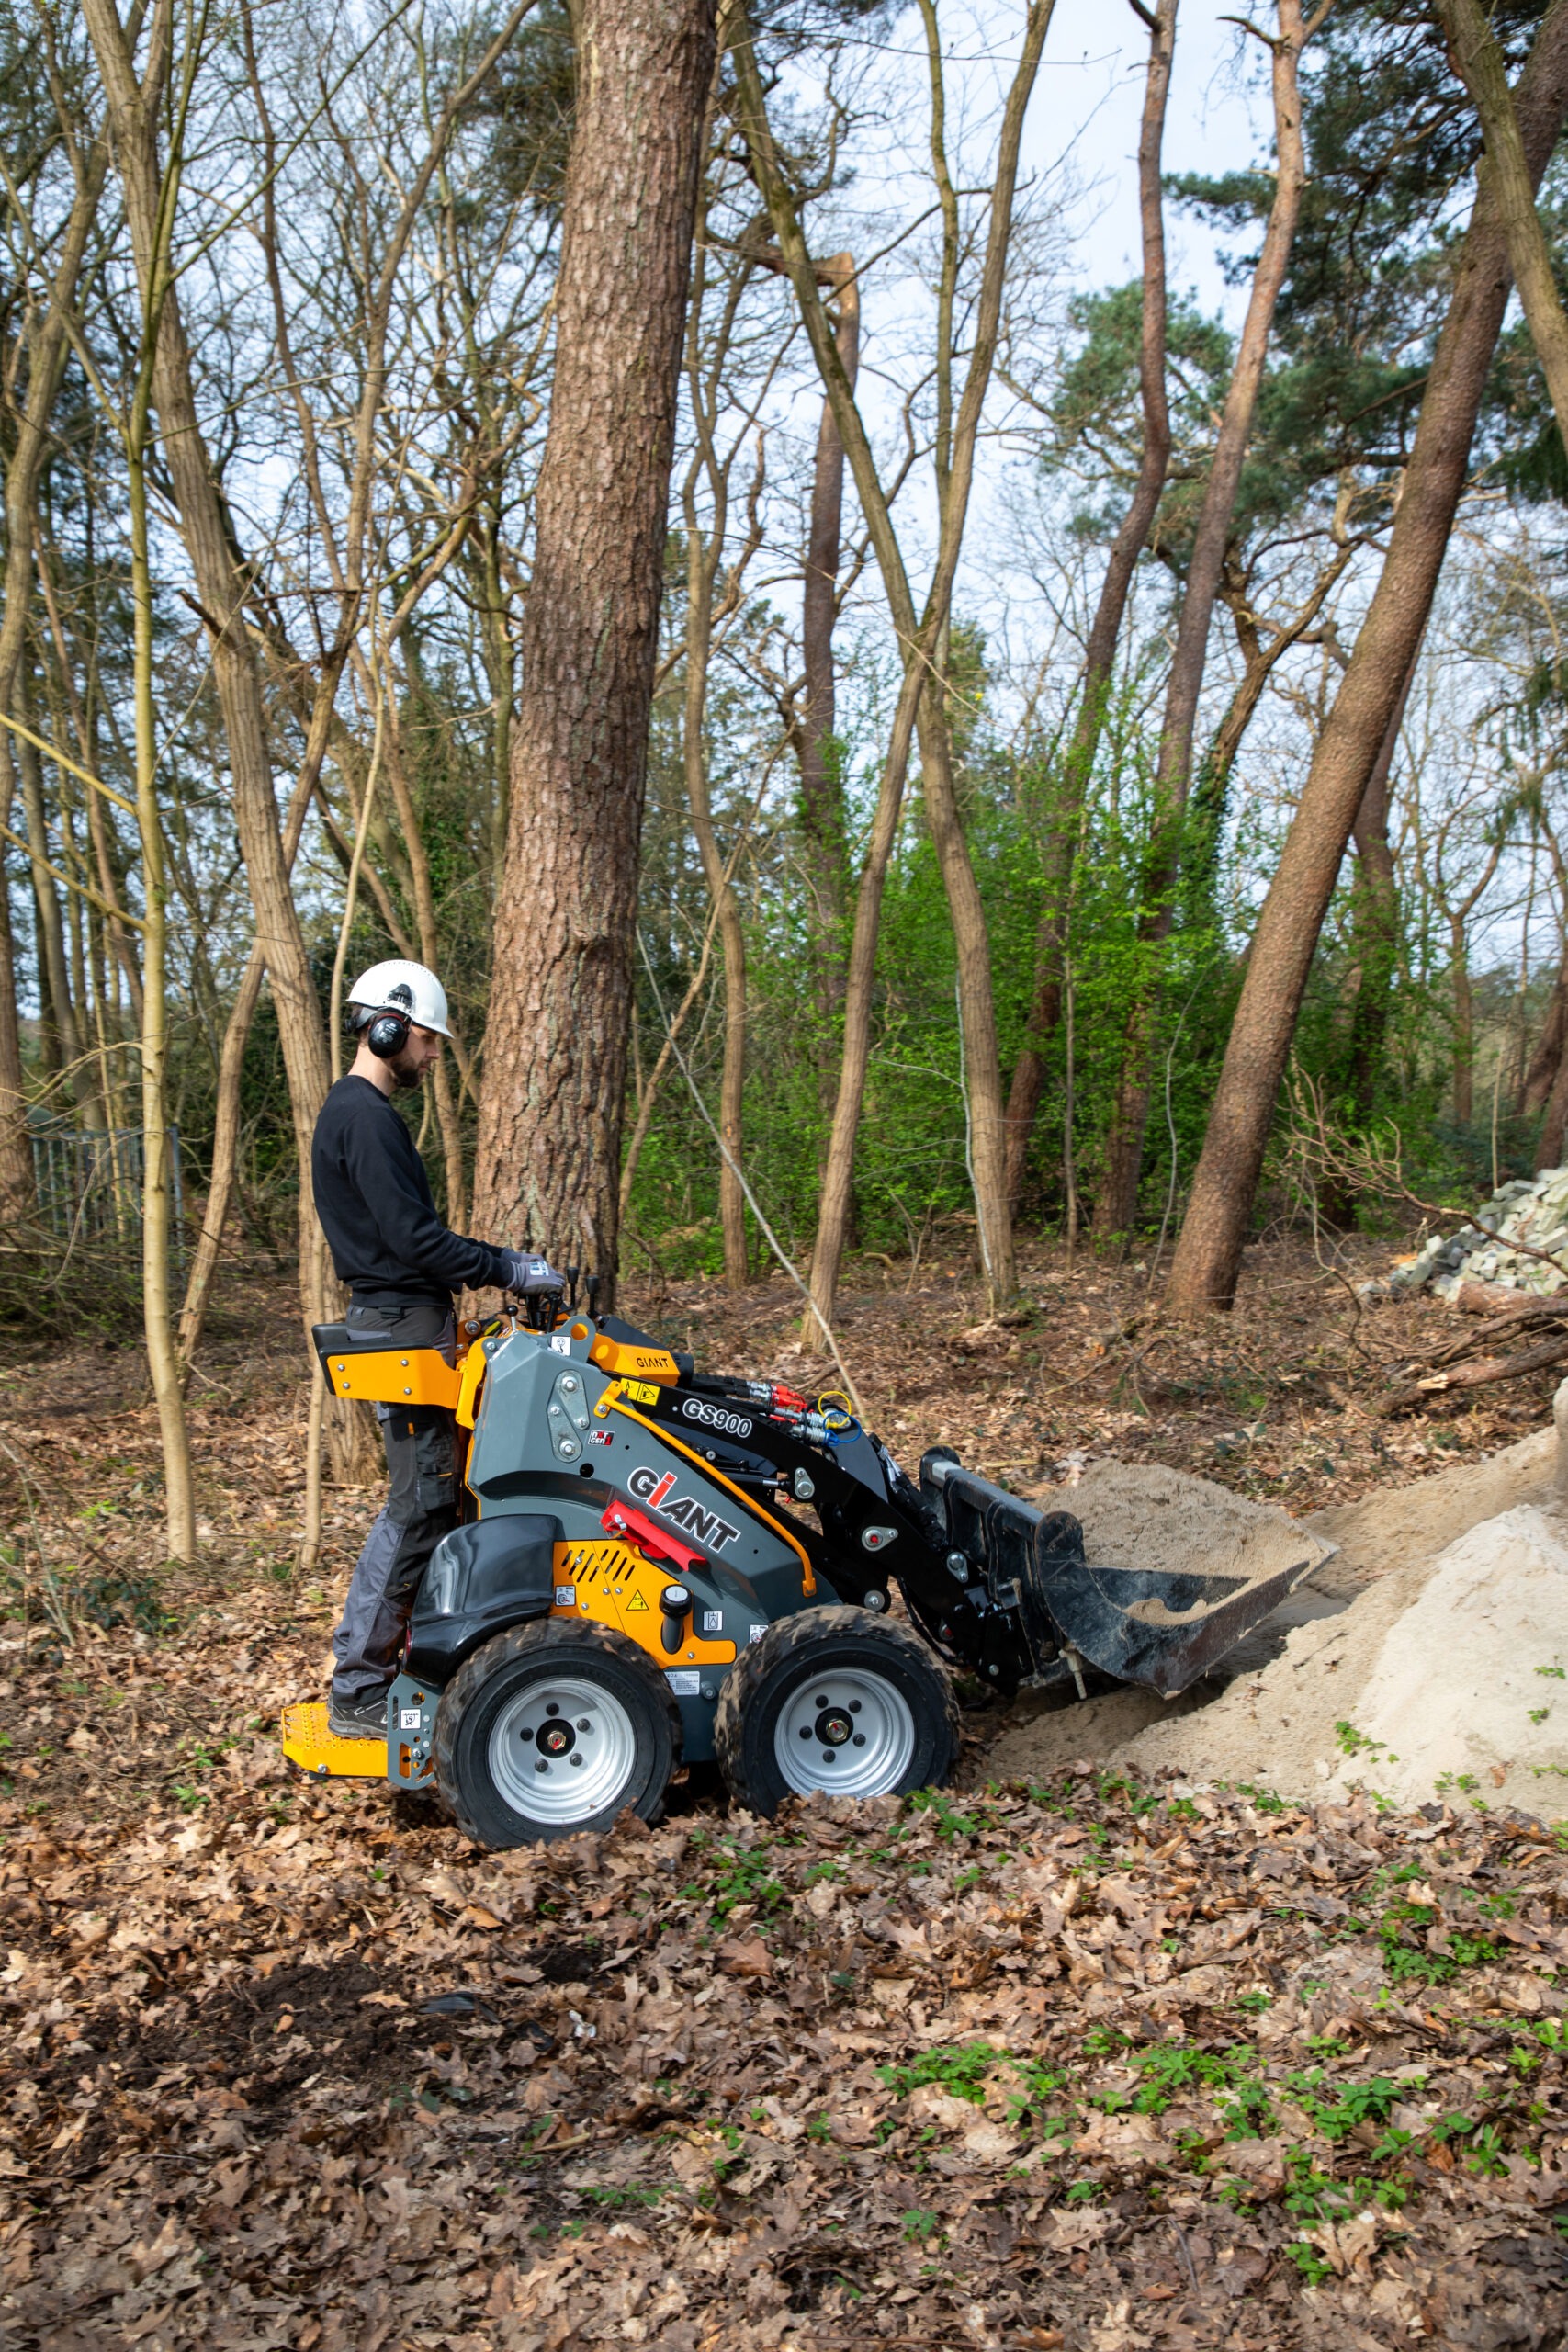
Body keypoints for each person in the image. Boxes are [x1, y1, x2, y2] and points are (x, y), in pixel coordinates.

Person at [311, 959, 558, 1740]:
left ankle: (426, 1660)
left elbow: (418, 1239)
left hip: (412, 1322)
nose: (433, 1054)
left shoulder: (362, 1116)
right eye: (426, 1039)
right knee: (419, 1506)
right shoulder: (363, 1117)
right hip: (401, 1327)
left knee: (444, 1498)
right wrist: (508, 1267)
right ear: (386, 1027)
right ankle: (358, 1689)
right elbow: (415, 1240)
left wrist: (501, 1263)